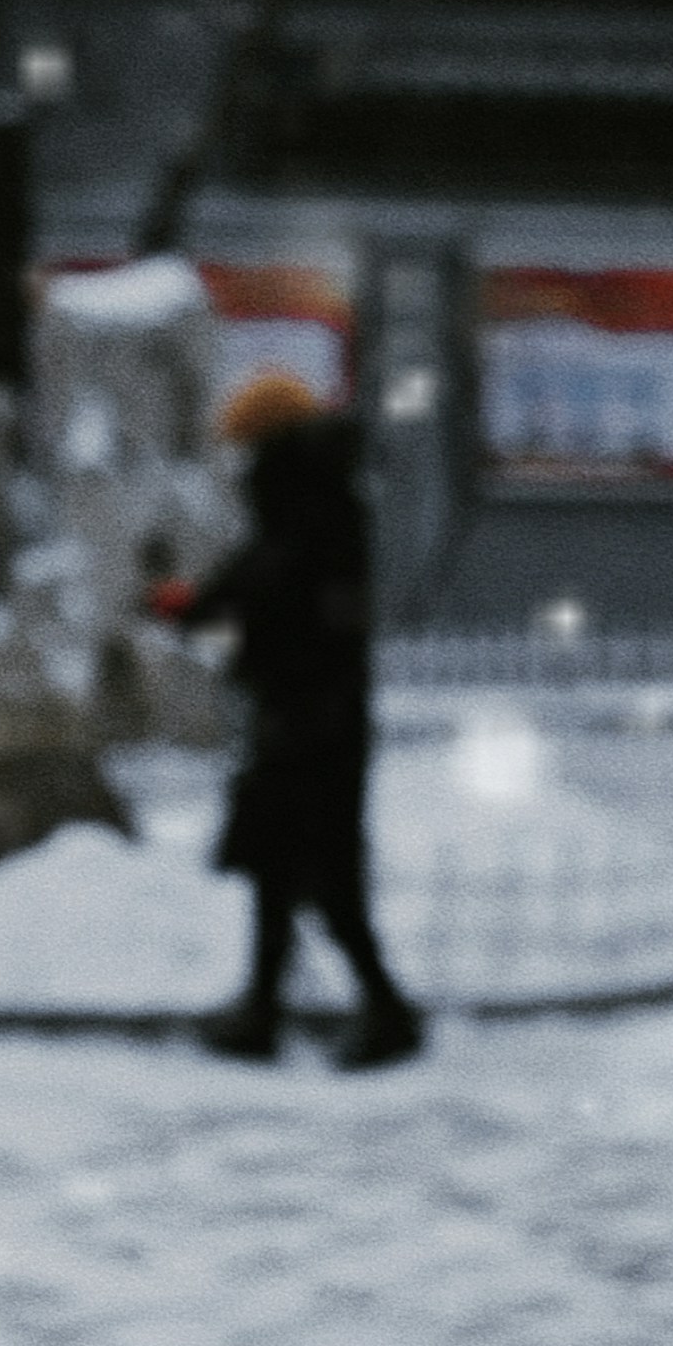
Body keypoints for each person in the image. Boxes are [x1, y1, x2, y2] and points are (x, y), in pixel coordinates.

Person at [166, 370, 423, 1070]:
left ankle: (387, 1014)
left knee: (328, 881)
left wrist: (213, 618)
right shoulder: (304, 513)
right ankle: (263, 1010)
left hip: (313, 728)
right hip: (297, 719)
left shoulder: (315, 517)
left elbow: (278, 613)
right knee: (276, 873)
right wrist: (202, 614)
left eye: (247, 451)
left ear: (271, 448)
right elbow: (247, 607)